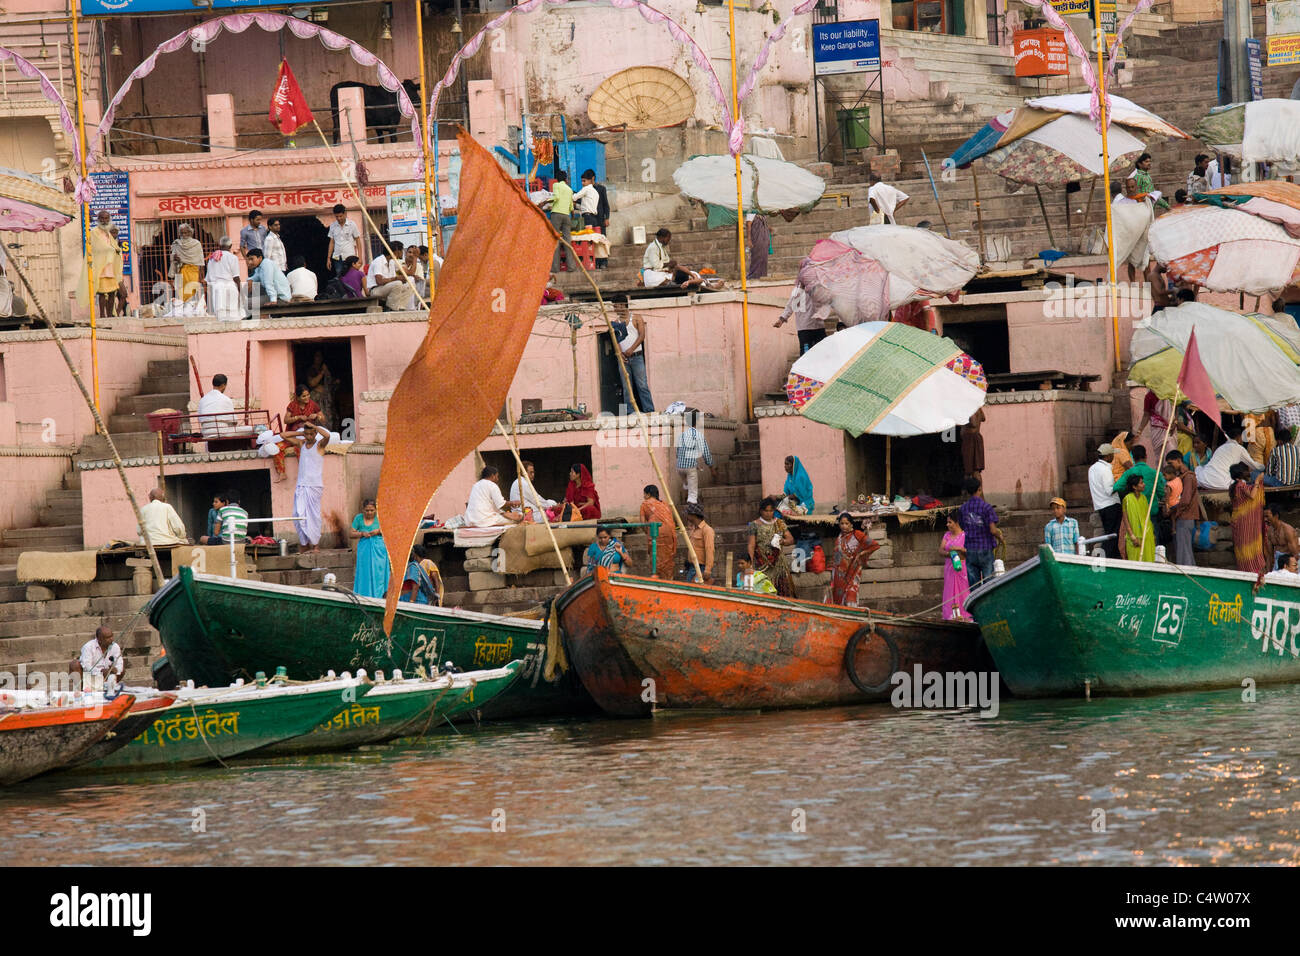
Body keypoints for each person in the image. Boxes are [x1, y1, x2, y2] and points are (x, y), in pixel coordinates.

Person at [281, 423, 331, 552]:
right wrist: (301, 433)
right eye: (307, 434)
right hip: (301, 485)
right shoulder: (301, 444)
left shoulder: (320, 445)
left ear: (315, 433)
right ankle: (304, 543)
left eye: (311, 434)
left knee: (313, 515)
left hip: (314, 486)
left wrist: (314, 426)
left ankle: (315, 544)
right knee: (297, 513)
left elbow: (327, 435)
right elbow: (283, 435)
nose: (308, 436)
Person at [958, 476, 1002, 588]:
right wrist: (1000, 536)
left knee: (974, 586)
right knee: (989, 585)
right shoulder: (986, 507)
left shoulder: (963, 509)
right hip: (985, 549)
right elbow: (992, 530)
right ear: (979, 489)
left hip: (970, 550)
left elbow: (963, 527)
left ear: (967, 491)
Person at [747, 495, 795, 597]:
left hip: (779, 564)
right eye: (766, 511)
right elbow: (751, 545)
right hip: (762, 563)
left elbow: (790, 539)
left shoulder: (779, 523)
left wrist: (782, 541)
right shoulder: (754, 525)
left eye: (771, 510)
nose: (769, 513)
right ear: (761, 511)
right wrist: (750, 563)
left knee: (783, 589)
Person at [830, 513, 879, 607]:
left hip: (853, 570)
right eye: (842, 523)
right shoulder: (839, 538)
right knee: (839, 598)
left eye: (846, 523)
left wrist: (861, 554)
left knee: (851, 593)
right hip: (839, 575)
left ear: (851, 524)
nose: (844, 526)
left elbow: (874, 545)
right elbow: (836, 558)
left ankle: (853, 616)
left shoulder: (857, 534)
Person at [774, 275, 832, 354]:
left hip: (819, 327)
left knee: (824, 353)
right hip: (804, 329)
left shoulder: (819, 290)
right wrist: (781, 319)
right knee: (806, 354)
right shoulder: (797, 292)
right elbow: (790, 307)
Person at [612, 314, 654, 413]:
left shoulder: (636, 318)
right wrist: (620, 354)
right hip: (623, 359)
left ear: (624, 304)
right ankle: (629, 412)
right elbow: (615, 341)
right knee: (626, 387)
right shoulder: (616, 322)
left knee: (642, 385)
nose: (616, 308)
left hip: (637, 357)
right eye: (615, 306)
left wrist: (631, 349)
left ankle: (649, 411)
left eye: (618, 305)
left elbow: (642, 336)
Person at [1230, 462, 1267, 575]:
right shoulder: (1241, 485)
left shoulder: (1234, 486)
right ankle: (1253, 572)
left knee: (1242, 547)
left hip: (1239, 522)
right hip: (1245, 523)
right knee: (1247, 547)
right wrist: (1257, 482)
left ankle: (1245, 571)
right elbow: (1252, 496)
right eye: (1247, 470)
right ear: (1241, 473)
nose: (1249, 472)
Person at [1112, 444, 1165, 522]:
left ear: (1133, 458)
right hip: (1150, 510)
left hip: (1135, 511)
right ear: (1146, 456)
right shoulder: (1155, 473)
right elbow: (1161, 493)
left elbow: (1117, 487)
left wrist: (1128, 492)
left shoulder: (1128, 472)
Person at [1195, 425, 1256, 491]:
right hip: (1222, 484)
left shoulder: (1220, 448)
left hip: (1203, 480)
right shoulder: (1240, 449)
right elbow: (1253, 466)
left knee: (1199, 469)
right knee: (1243, 482)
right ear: (1238, 438)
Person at [349, 498, 389, 599]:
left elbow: (389, 531)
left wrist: (378, 531)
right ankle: (364, 596)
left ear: (376, 510)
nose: (369, 512)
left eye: (372, 510)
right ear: (363, 510)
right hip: (364, 549)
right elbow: (351, 533)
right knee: (364, 572)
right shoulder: (358, 518)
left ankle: (380, 596)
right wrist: (362, 533)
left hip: (379, 550)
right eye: (367, 510)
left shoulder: (380, 517)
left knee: (379, 573)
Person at [1166, 450, 1200, 566]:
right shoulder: (1180, 478)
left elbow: (1185, 500)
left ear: (1179, 461)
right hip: (1182, 516)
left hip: (1185, 516)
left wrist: (1172, 510)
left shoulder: (1188, 477)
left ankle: (1187, 575)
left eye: (1171, 463)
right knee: (1184, 549)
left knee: (1184, 550)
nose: (1170, 467)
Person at [1090, 442, 1123, 559]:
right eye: (1112, 455)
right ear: (1108, 456)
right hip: (1111, 505)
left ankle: (1115, 558)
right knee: (1113, 535)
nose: (1114, 457)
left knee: (1110, 533)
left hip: (1100, 506)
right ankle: (1105, 558)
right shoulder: (1105, 470)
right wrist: (1121, 483)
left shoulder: (1092, 469)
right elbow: (1109, 490)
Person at [89, 209, 123, 320]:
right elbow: (99, 247)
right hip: (101, 267)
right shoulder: (94, 232)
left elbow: (114, 246)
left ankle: (110, 315)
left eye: (106, 218)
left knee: (113, 292)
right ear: (98, 219)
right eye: (102, 218)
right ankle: (102, 315)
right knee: (102, 293)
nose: (104, 221)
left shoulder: (109, 233)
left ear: (109, 219)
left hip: (111, 267)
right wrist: (112, 250)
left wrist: (116, 250)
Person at [676, 409, 713, 506]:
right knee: (692, 495)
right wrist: (711, 468)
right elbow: (706, 453)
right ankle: (691, 511)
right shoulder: (698, 435)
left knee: (686, 486)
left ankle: (685, 501)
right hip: (690, 467)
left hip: (679, 467)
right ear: (696, 422)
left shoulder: (681, 435)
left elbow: (677, 452)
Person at [639, 485, 677, 580]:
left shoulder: (645, 504)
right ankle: (669, 581)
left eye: (644, 494)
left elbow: (643, 524)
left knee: (657, 560)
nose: (643, 496)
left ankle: (659, 582)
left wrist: (648, 532)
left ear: (648, 494)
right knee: (667, 560)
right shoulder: (665, 504)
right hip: (670, 534)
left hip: (656, 533)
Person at [1118, 474, 1156, 562]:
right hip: (1134, 538)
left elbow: (1147, 517)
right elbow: (1125, 520)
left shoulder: (1144, 498)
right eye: (1141, 483)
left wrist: (1152, 533)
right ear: (1134, 487)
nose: (1144, 484)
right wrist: (1132, 536)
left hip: (1146, 536)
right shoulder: (1127, 499)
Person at [169, 223, 206, 309]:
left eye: (186, 233)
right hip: (180, 270)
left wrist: (201, 277)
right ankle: (181, 309)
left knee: (191, 291)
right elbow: (172, 257)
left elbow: (200, 260)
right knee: (180, 292)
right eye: (182, 233)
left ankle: (191, 309)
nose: (184, 235)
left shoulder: (196, 244)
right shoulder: (176, 243)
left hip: (193, 271)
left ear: (190, 233)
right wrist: (175, 258)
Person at [206, 237, 243, 320]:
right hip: (231, 286)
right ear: (230, 246)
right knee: (233, 314)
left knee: (220, 314)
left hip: (217, 287)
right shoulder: (233, 257)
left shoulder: (212, 258)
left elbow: (208, 279)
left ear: (219, 245)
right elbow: (236, 277)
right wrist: (241, 291)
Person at [940, 514, 969, 620]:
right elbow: (941, 550)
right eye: (947, 522)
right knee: (949, 592)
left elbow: (970, 552)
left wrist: (960, 550)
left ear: (957, 523)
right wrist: (950, 554)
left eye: (950, 522)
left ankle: (965, 615)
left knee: (963, 592)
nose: (947, 524)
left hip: (962, 569)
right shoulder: (947, 535)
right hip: (949, 568)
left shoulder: (965, 535)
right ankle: (950, 616)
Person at [548, 169, 575, 274]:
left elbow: (556, 197)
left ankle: (555, 268)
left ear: (557, 179)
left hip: (556, 215)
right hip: (566, 216)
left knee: (555, 240)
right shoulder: (569, 189)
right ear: (566, 179)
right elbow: (571, 206)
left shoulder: (556, 185)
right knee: (568, 241)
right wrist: (571, 215)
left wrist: (546, 201)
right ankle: (571, 267)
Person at [196, 373, 237, 438]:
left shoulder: (203, 400)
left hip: (206, 433)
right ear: (223, 385)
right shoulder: (226, 399)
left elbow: (200, 419)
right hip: (222, 431)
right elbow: (234, 421)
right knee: (249, 429)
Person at [683, 503, 715, 584]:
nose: (686, 516)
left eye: (688, 514)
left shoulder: (707, 530)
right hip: (692, 567)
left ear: (693, 515)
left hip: (701, 568)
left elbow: (710, 550)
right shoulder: (694, 529)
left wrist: (707, 570)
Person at [305, 349, 337, 430]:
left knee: (328, 418)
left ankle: (328, 435)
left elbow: (331, 383)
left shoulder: (325, 369)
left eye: (320, 356)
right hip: (316, 399)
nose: (319, 358)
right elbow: (312, 383)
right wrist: (322, 372)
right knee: (318, 419)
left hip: (326, 399)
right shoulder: (312, 369)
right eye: (317, 356)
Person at [327, 204, 362, 277]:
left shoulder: (352, 225)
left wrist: (360, 258)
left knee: (351, 276)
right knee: (340, 277)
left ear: (345, 214)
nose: (339, 218)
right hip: (337, 257)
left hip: (350, 257)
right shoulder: (333, 226)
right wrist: (328, 258)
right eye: (337, 217)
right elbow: (332, 242)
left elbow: (358, 240)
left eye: (340, 216)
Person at [1264, 506, 1300, 571]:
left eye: (1267, 516)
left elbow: (1296, 555)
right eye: (1264, 517)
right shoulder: (1269, 531)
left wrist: (1296, 573)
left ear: (1276, 516)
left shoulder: (1288, 531)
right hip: (1278, 562)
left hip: (1289, 564)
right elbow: (1270, 556)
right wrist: (1268, 573)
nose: (1265, 519)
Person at [962, 407, 986, 478]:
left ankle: (975, 488)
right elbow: (983, 418)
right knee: (974, 470)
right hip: (973, 438)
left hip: (971, 440)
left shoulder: (971, 407)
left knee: (971, 470)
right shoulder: (978, 407)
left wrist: (960, 422)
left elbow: (973, 423)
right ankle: (978, 488)